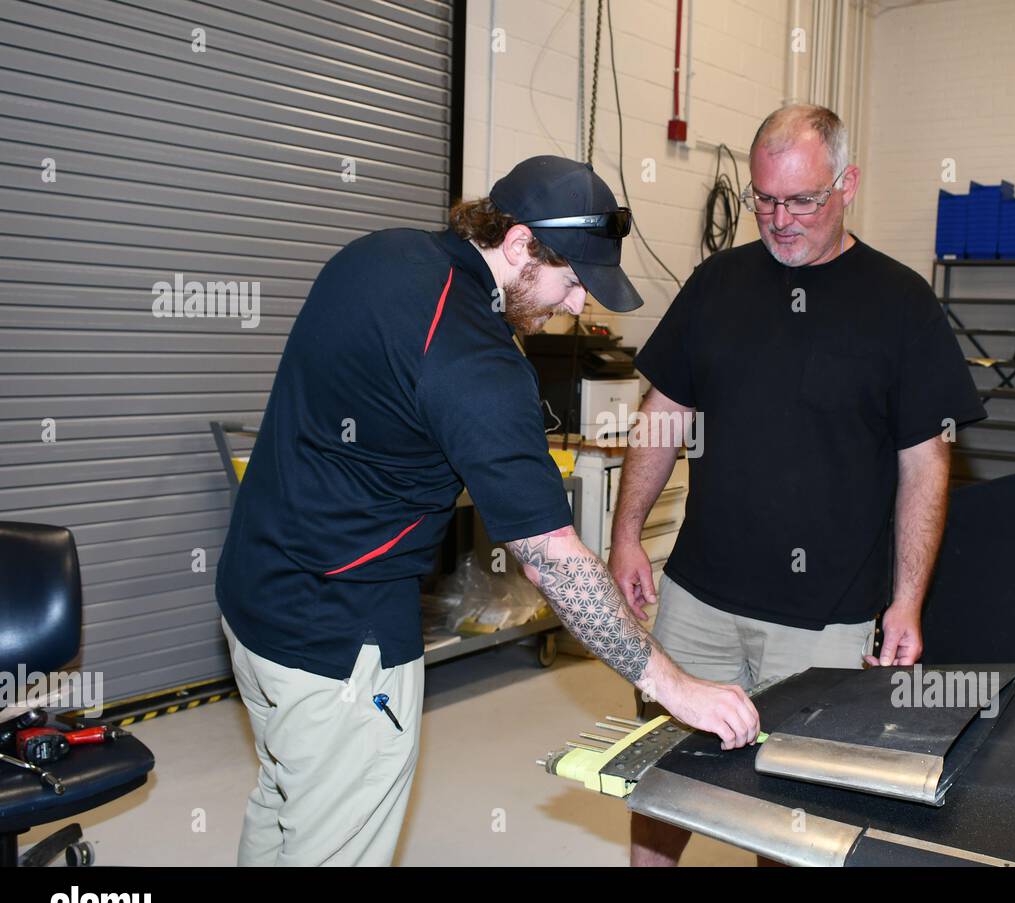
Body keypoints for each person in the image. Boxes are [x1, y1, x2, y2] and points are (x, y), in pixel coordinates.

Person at [215, 155, 760, 866]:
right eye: (572, 283)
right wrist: (671, 685)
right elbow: (555, 566)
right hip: (339, 640)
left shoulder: (377, 255)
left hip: (250, 600)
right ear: (518, 244)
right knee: (331, 844)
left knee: (287, 801)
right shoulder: (481, 362)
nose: (575, 308)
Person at [609, 106, 987, 866]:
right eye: (764, 200)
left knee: (791, 810)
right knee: (661, 779)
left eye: (802, 201)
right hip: (699, 599)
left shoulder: (901, 304)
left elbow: (926, 461)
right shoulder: (718, 282)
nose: (779, 221)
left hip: (824, 620)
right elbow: (664, 412)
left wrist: (907, 598)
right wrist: (625, 536)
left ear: (847, 184)